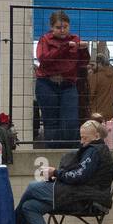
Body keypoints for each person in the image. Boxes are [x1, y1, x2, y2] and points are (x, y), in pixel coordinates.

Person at [14, 119, 113, 224]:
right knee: (29, 206)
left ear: (97, 136)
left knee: (32, 187)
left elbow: (78, 176)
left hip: (84, 198)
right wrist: (59, 176)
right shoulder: (95, 150)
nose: (81, 141)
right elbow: (80, 175)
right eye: (81, 137)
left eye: (85, 138)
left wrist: (55, 173)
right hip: (79, 194)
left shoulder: (94, 151)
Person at [35, 11, 83, 148]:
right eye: (58, 27)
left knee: (70, 121)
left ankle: (71, 153)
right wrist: (65, 48)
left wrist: (84, 50)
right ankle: (52, 152)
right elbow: (44, 59)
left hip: (68, 84)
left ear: (69, 26)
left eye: (65, 27)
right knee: (50, 122)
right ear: (51, 27)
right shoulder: (45, 39)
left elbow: (82, 62)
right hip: (46, 83)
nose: (62, 30)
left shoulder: (75, 39)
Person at [87, 45, 113, 148]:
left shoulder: (95, 77)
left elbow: (89, 95)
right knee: (108, 137)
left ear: (99, 63)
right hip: (110, 111)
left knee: (95, 138)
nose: (91, 67)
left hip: (96, 111)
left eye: (93, 64)